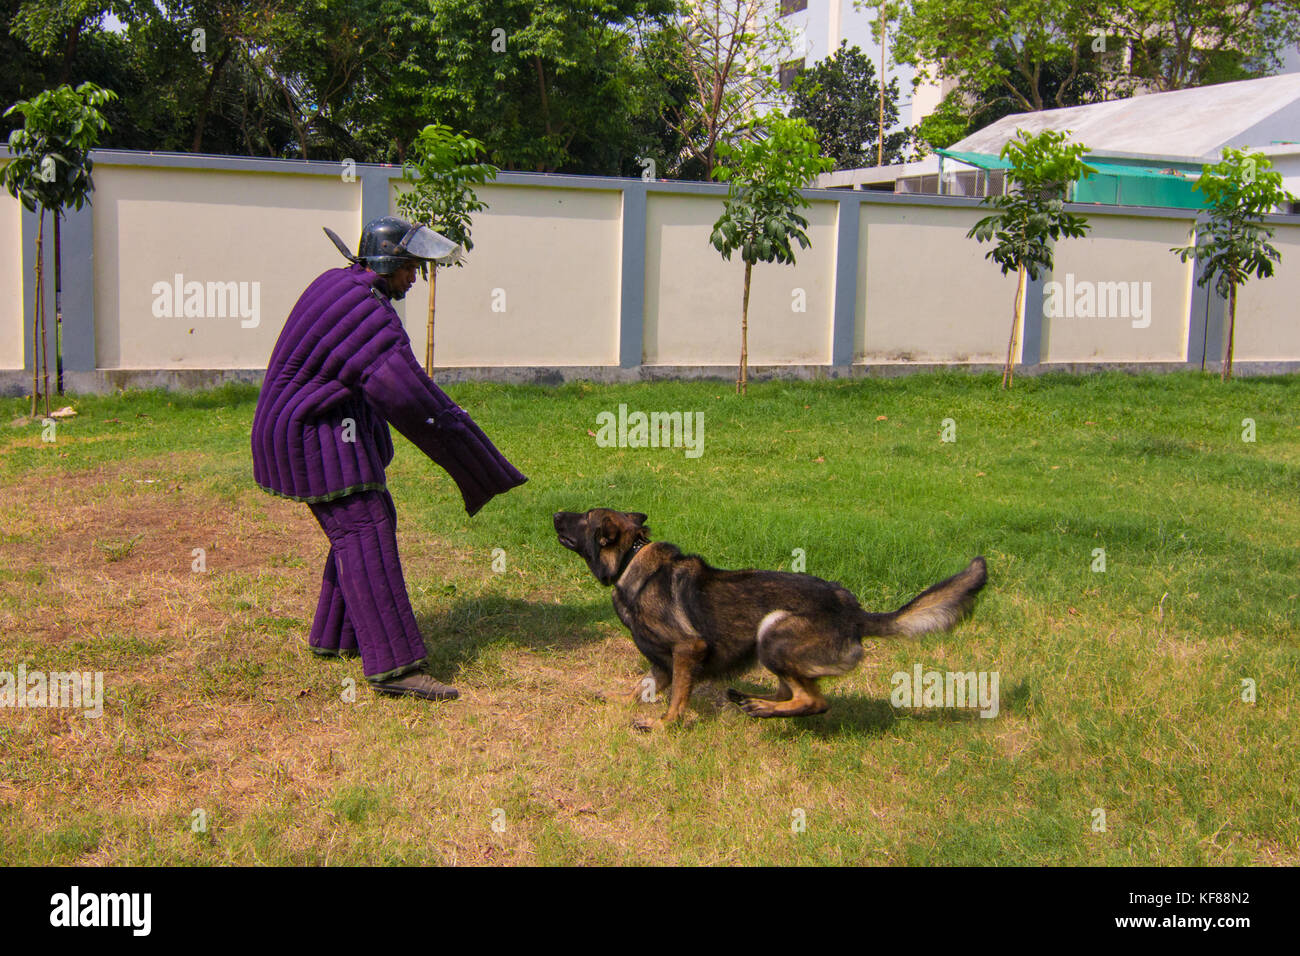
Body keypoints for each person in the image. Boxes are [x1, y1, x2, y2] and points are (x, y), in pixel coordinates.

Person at [251, 216, 527, 701]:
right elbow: (410, 399)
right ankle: (396, 668)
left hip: (319, 423)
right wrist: (483, 465)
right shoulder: (366, 314)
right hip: (310, 431)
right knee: (364, 528)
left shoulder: (339, 283)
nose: (415, 278)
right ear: (389, 262)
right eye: (411, 268)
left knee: (363, 526)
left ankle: (336, 637)